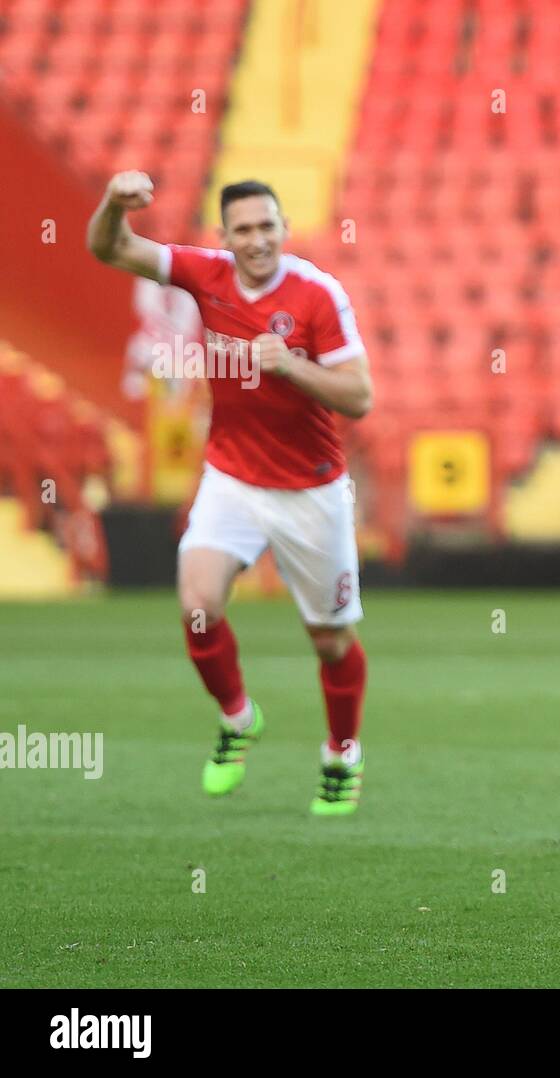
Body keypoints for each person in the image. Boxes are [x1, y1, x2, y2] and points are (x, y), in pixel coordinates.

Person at [87, 172, 373, 815]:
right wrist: (113, 202)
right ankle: (238, 718)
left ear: (283, 229)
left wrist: (291, 365)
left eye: (266, 226)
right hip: (233, 477)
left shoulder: (318, 295)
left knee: (329, 642)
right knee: (197, 604)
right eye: (242, 229)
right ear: (225, 237)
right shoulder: (204, 273)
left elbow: (361, 396)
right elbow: (110, 249)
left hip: (312, 491)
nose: (256, 239)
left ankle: (341, 753)